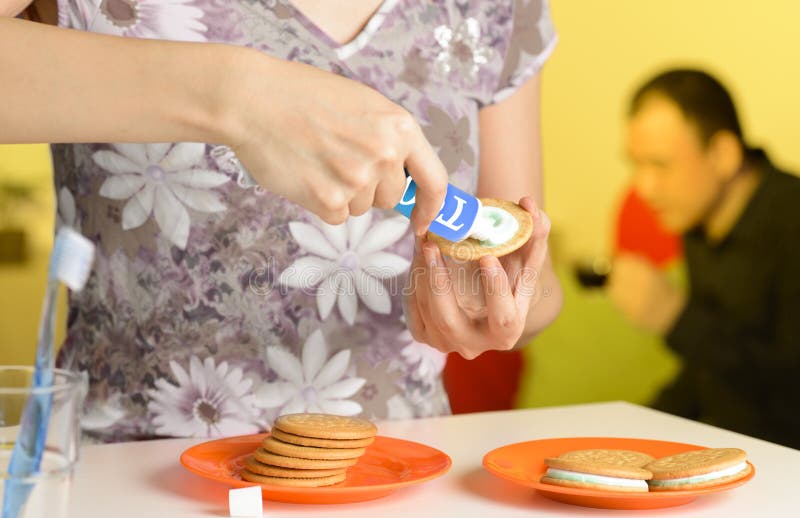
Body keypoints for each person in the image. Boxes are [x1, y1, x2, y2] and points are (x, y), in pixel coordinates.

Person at [1, 1, 562, 441]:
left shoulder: (496, 8)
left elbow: (535, 281)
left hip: (396, 481)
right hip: (127, 486)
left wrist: (493, 301)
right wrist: (237, 97)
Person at [608, 68, 800, 448]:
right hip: (728, 454)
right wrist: (628, 439)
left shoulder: (791, 219)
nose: (643, 188)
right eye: (637, 165)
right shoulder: (699, 221)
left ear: (723, 154)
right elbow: (708, 374)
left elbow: (790, 388)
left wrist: (675, 317)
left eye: (660, 165)